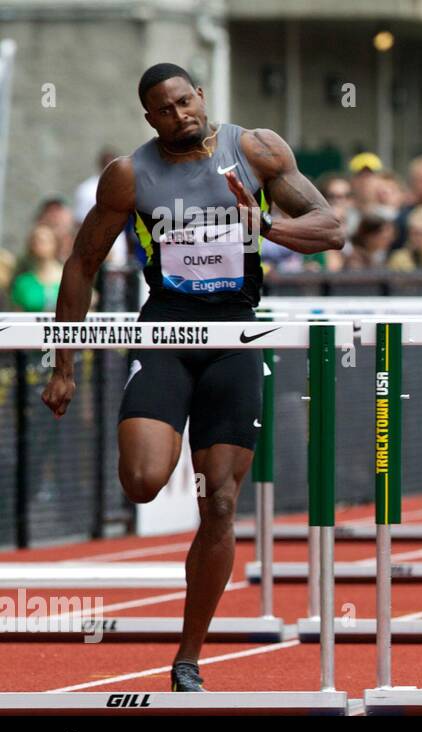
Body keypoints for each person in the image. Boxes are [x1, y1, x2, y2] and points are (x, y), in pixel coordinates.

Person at [40, 63, 344, 692]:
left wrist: (269, 228)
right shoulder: (130, 174)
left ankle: (188, 657)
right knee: (143, 481)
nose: (180, 116)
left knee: (222, 502)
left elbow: (331, 228)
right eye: (165, 110)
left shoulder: (255, 149)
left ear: (201, 95)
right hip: (166, 334)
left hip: (236, 337)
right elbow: (82, 261)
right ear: (148, 118)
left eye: (185, 101)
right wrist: (62, 361)